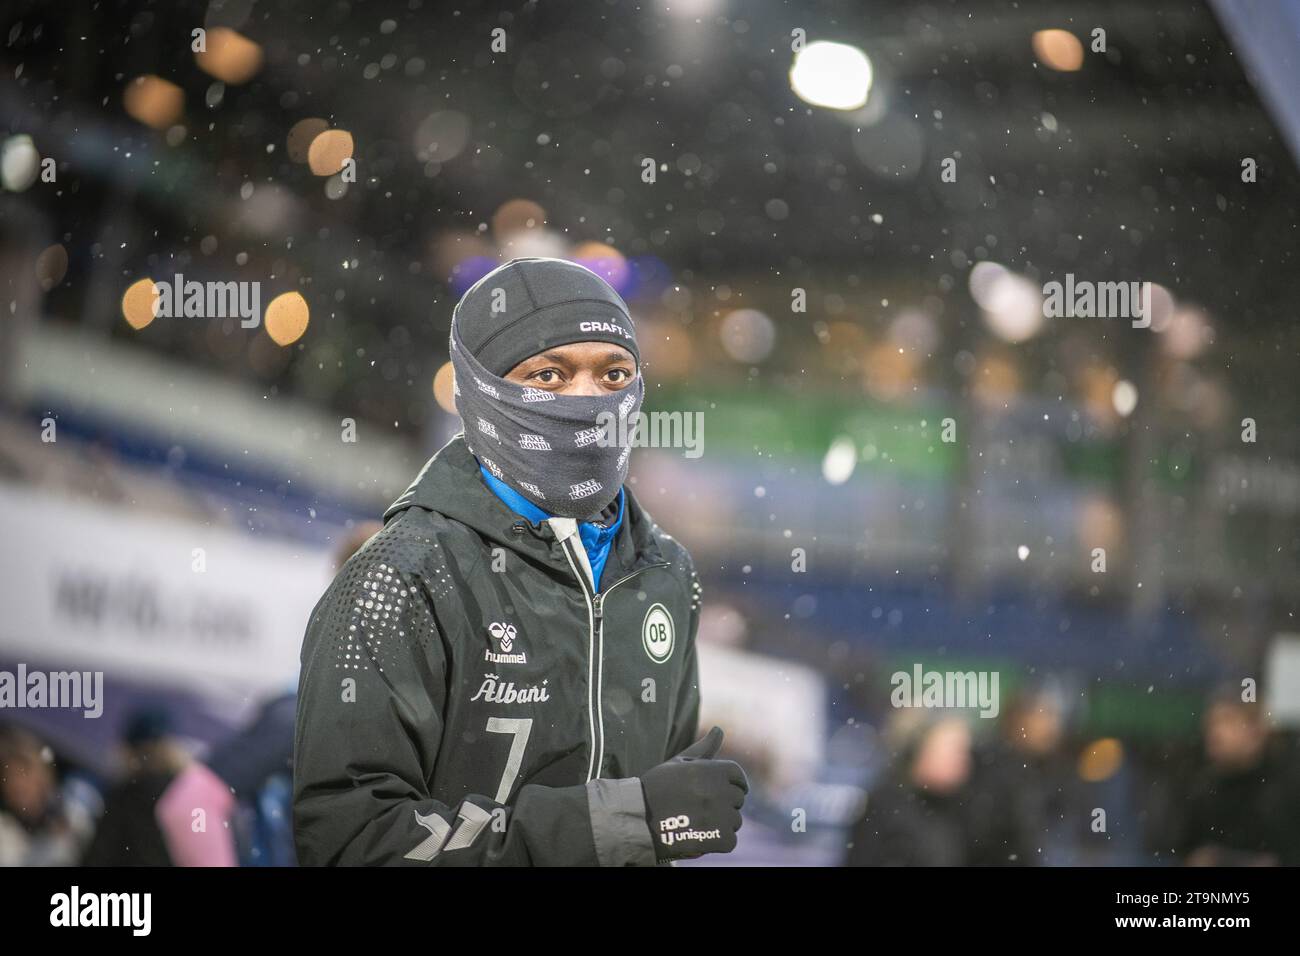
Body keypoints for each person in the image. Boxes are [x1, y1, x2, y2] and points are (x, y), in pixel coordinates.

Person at [293, 257, 748, 866]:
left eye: (615, 375)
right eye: (550, 376)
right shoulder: (400, 576)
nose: (589, 402)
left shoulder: (666, 575)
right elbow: (352, 841)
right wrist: (612, 824)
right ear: (482, 390)